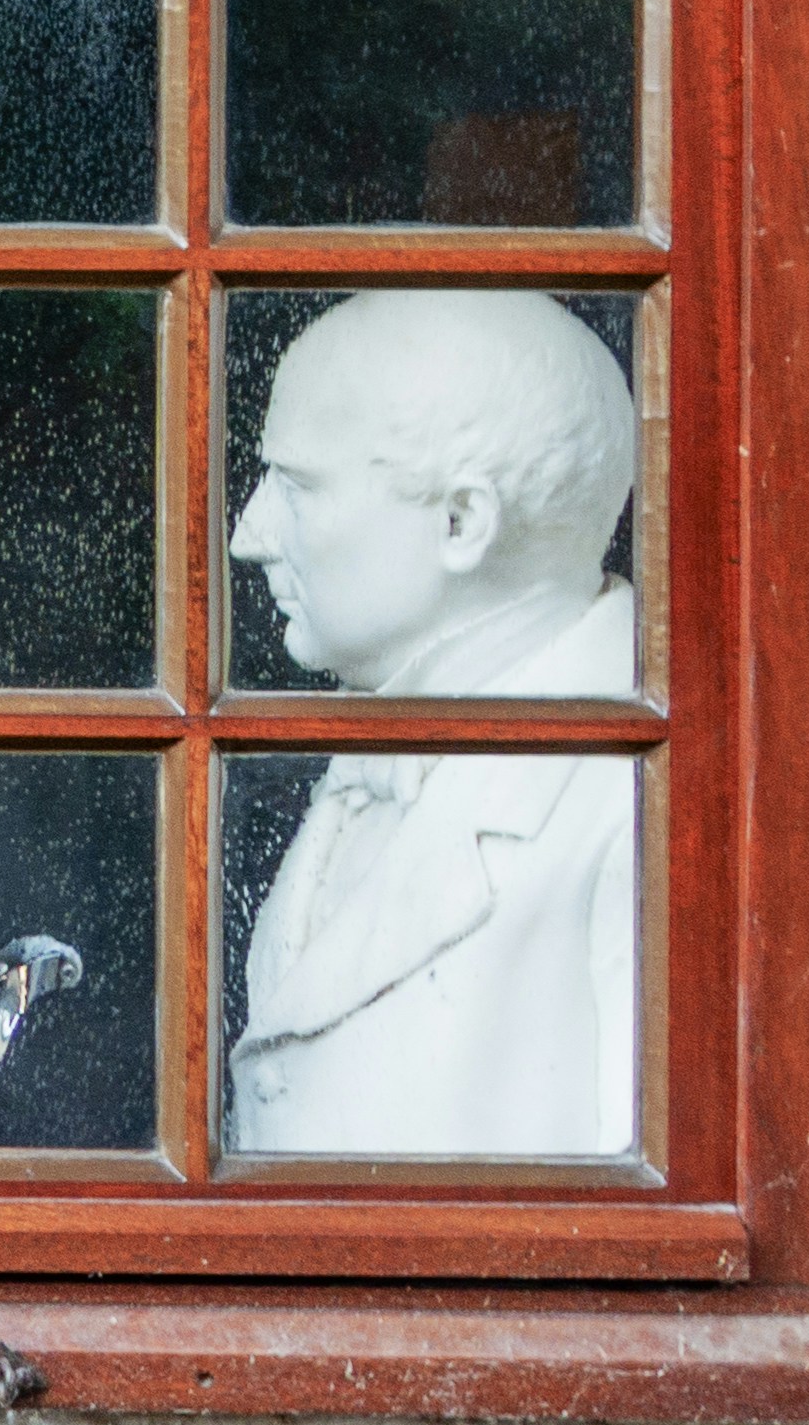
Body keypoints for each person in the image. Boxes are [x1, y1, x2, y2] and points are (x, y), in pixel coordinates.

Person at [224, 288, 641, 1159]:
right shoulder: (379, 745)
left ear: (461, 522)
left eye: (296, 485)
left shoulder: (643, 804)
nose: (247, 535)